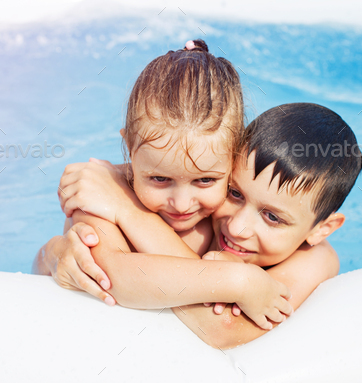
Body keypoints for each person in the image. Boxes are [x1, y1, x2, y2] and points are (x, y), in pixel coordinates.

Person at [35, 38, 294, 330]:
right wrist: (236, 281)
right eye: (159, 178)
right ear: (130, 149)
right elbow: (110, 275)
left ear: (233, 161)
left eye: (205, 180)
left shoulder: (229, 222)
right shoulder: (101, 196)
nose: (182, 204)